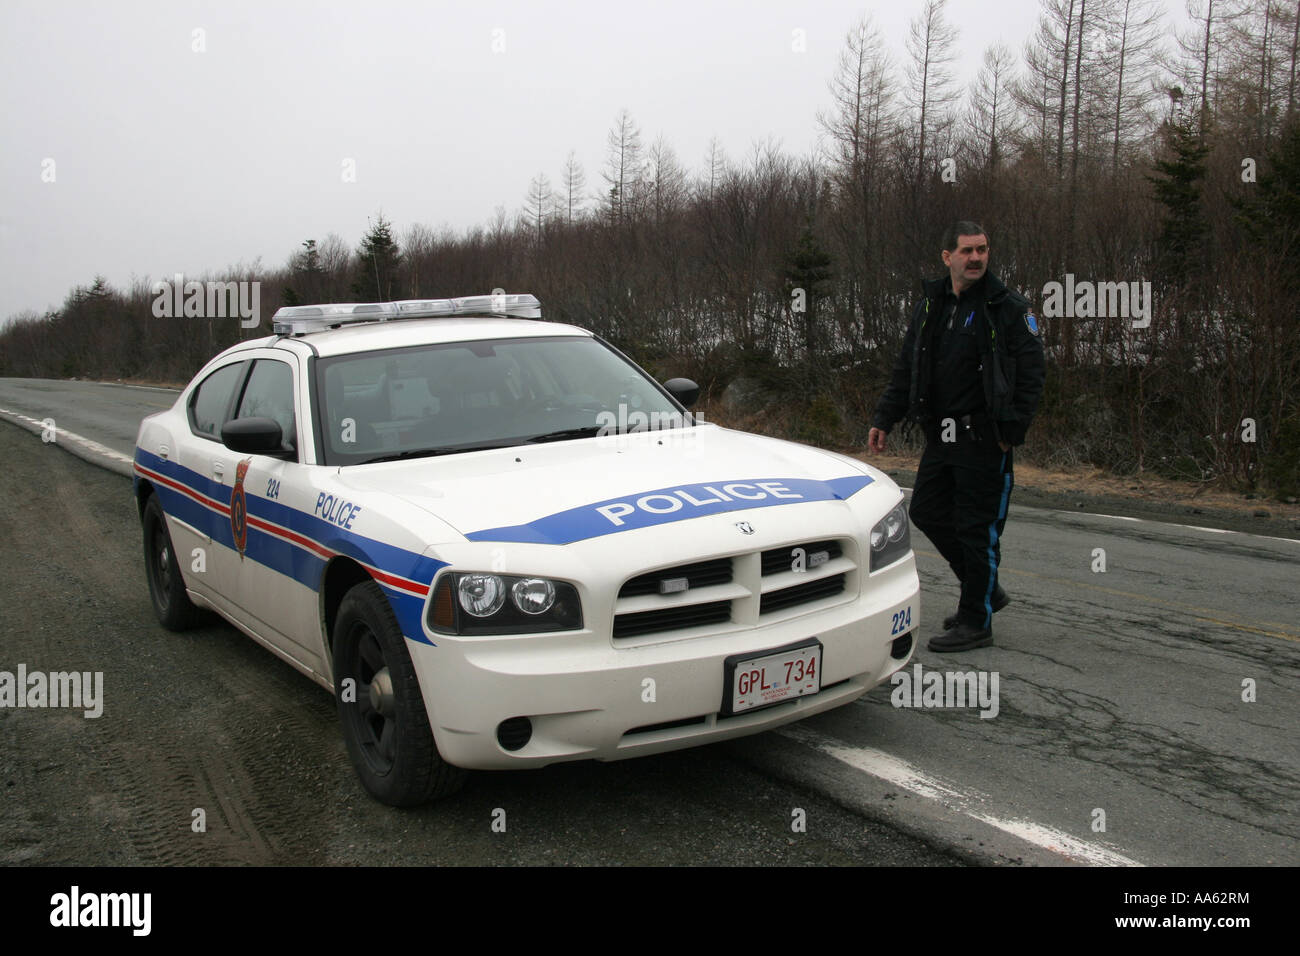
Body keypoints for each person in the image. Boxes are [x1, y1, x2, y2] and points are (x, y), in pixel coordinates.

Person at [867, 222, 1045, 652]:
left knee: (976, 529)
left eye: (982, 250)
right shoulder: (932, 305)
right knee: (926, 511)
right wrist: (885, 417)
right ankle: (985, 591)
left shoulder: (1008, 309)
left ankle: (975, 620)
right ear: (947, 257)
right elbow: (908, 365)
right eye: (967, 251)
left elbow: (1033, 376)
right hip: (941, 437)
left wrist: (1009, 435)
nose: (976, 258)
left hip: (985, 439)